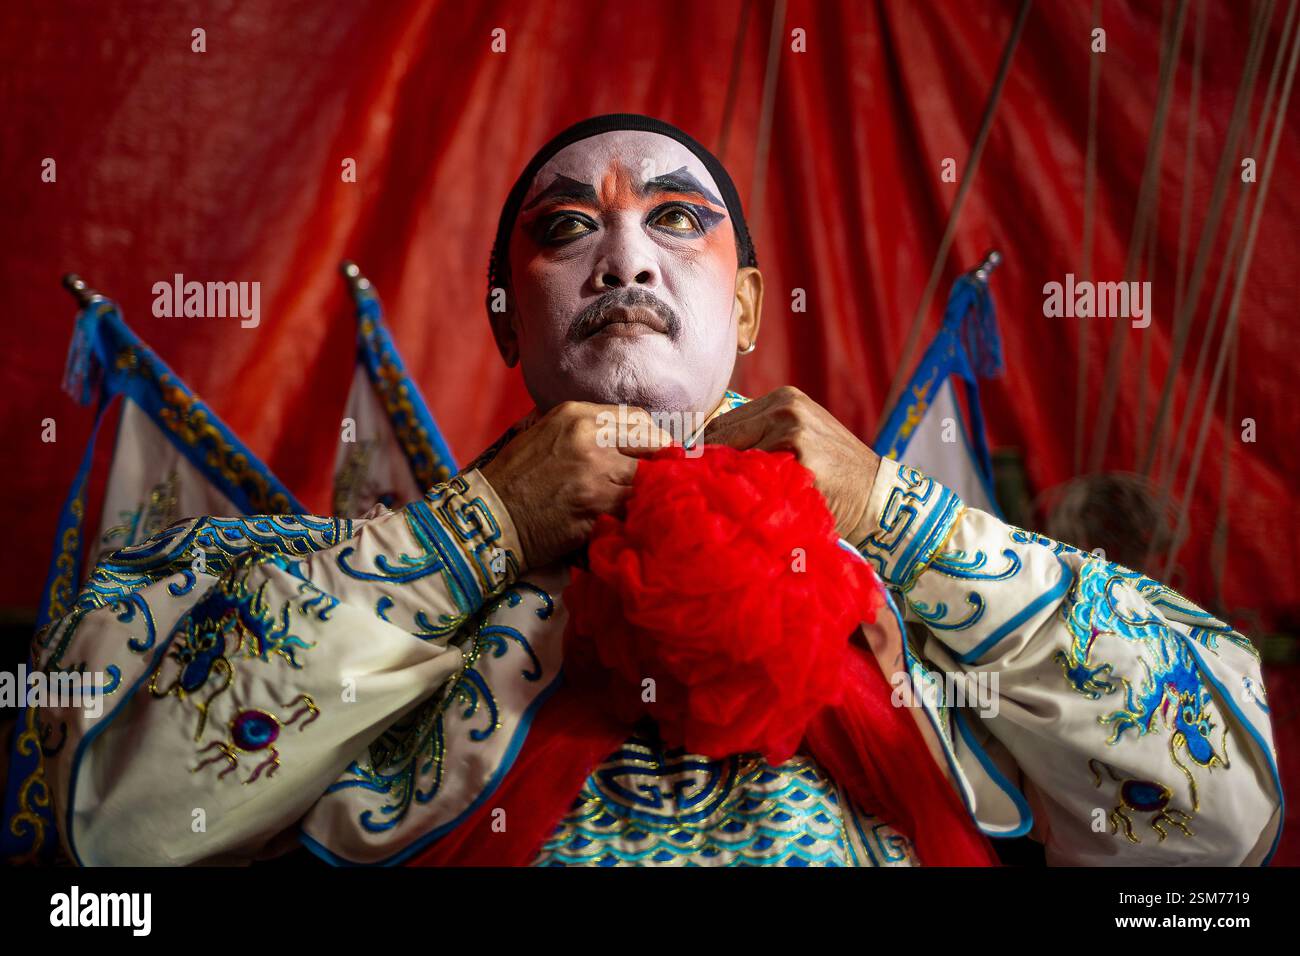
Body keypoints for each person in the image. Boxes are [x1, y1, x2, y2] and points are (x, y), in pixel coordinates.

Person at [31, 115, 1280, 866]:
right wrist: (488, 528)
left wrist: (893, 511)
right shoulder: (311, 569)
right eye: (566, 229)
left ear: (743, 307)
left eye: (675, 219)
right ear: (506, 318)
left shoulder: (918, 585)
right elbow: (101, 824)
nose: (623, 250)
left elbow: (1223, 815)